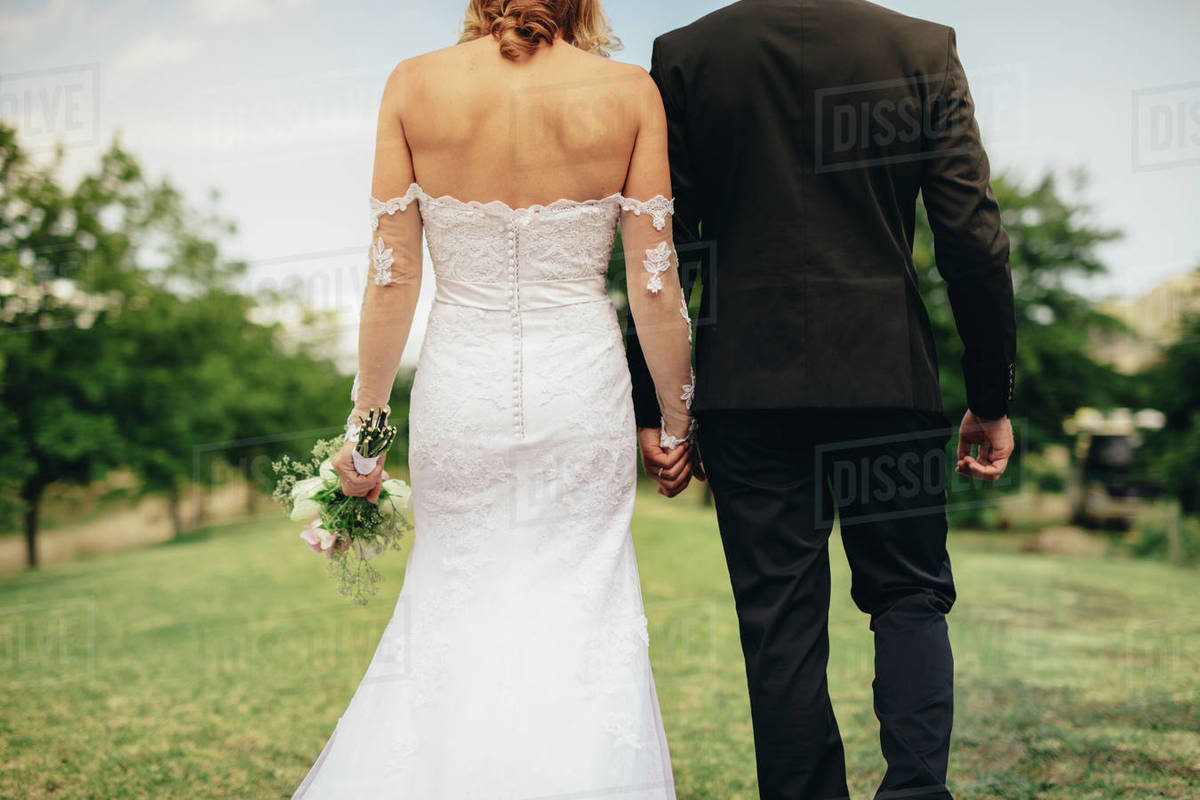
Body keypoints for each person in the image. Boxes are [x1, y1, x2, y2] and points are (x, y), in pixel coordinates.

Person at [291, 1, 693, 797]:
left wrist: (364, 437)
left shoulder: (413, 86)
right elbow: (655, 281)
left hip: (461, 392)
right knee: (583, 612)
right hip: (582, 392)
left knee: (453, 598)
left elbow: (392, 275)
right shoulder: (630, 93)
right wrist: (677, 419)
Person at [626, 1, 1018, 798]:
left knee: (779, 623)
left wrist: (661, 403)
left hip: (747, 387)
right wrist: (989, 390)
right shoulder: (921, 48)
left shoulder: (688, 54)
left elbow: (662, 245)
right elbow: (970, 234)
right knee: (909, 596)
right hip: (885, 377)